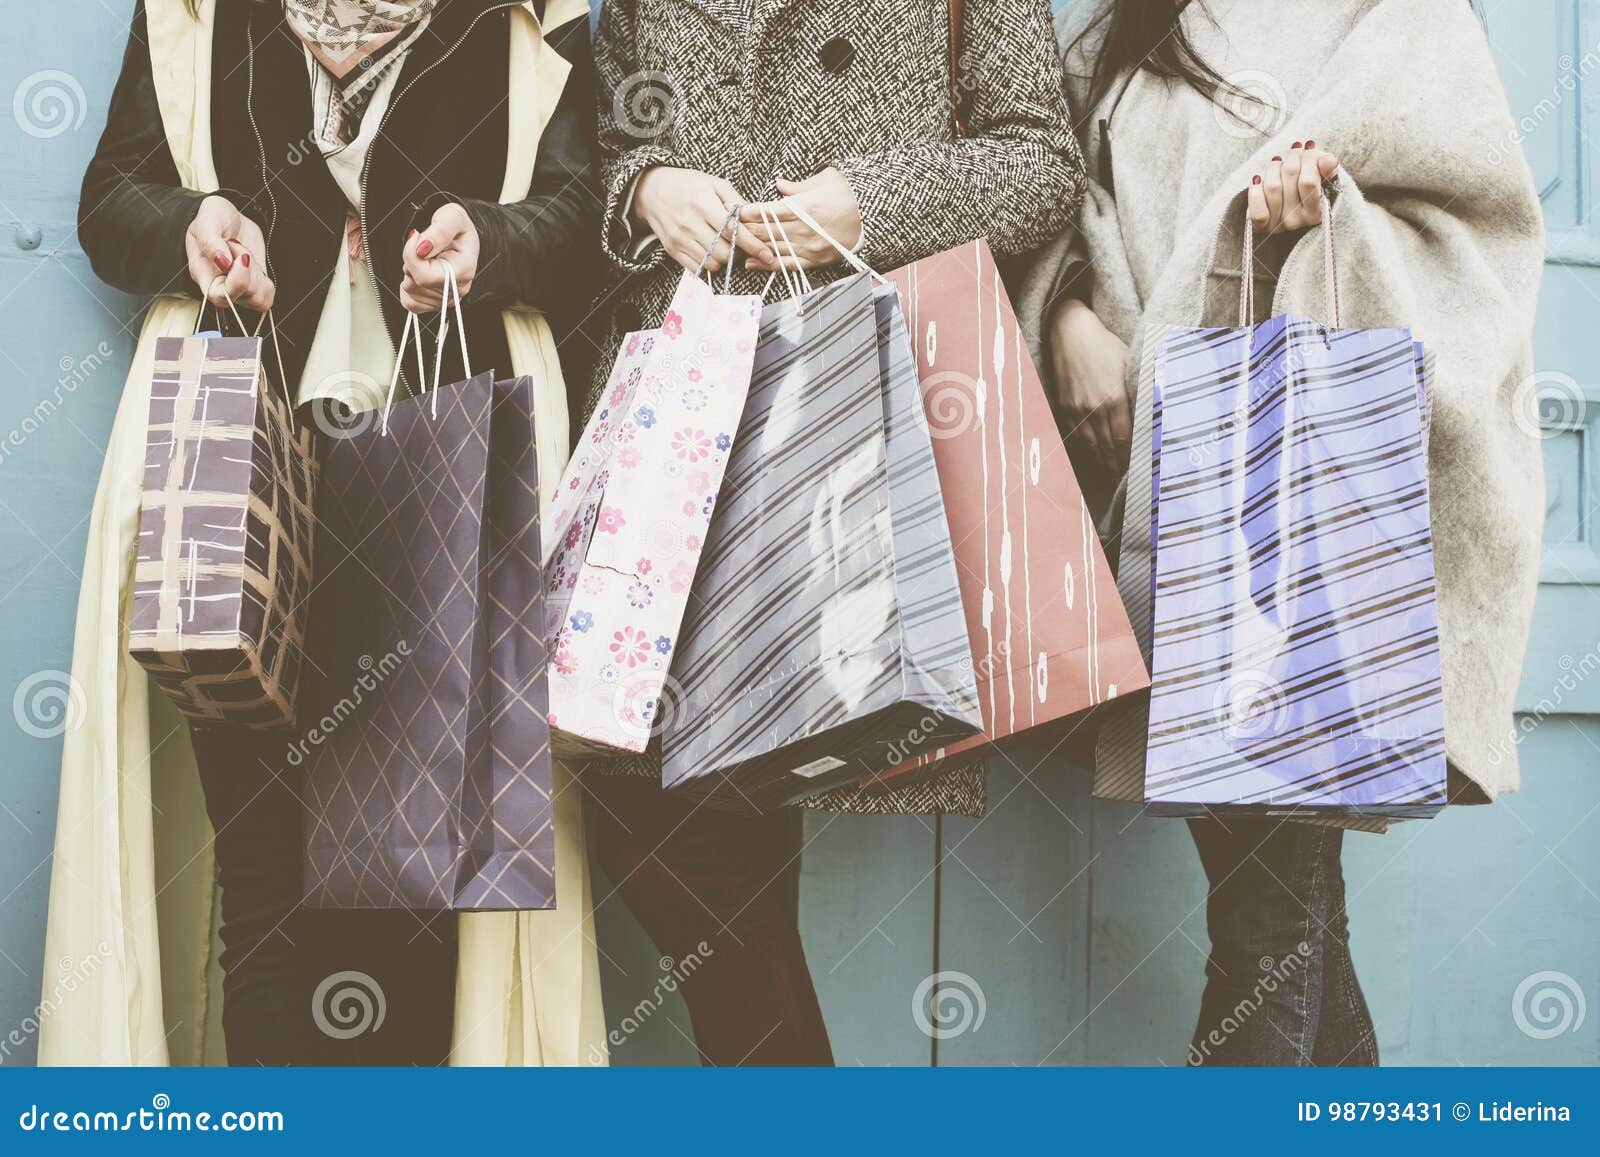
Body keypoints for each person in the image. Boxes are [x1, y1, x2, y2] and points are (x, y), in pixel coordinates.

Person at [46, 0, 607, 1067]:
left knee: (407, 885)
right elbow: (109, 202)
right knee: (261, 884)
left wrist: (490, 240)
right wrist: (191, 223)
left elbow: (585, 222)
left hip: (433, 475)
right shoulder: (195, 12)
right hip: (243, 480)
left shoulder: (531, 16)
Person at [1021, 0, 1545, 1065]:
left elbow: (1479, 241)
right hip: (1153, 493)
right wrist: (1065, 312)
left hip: (1301, 523)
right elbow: (1052, 198)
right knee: (1293, 914)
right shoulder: (1132, 25)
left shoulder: (1409, 23)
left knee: (1265, 924)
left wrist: (1318, 224)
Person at [586, 0, 1085, 1065]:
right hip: (681, 416)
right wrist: (646, 189)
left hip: (855, 425)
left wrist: (870, 203)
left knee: (746, 796)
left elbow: (1044, 163)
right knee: (634, 784)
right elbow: (600, 137)